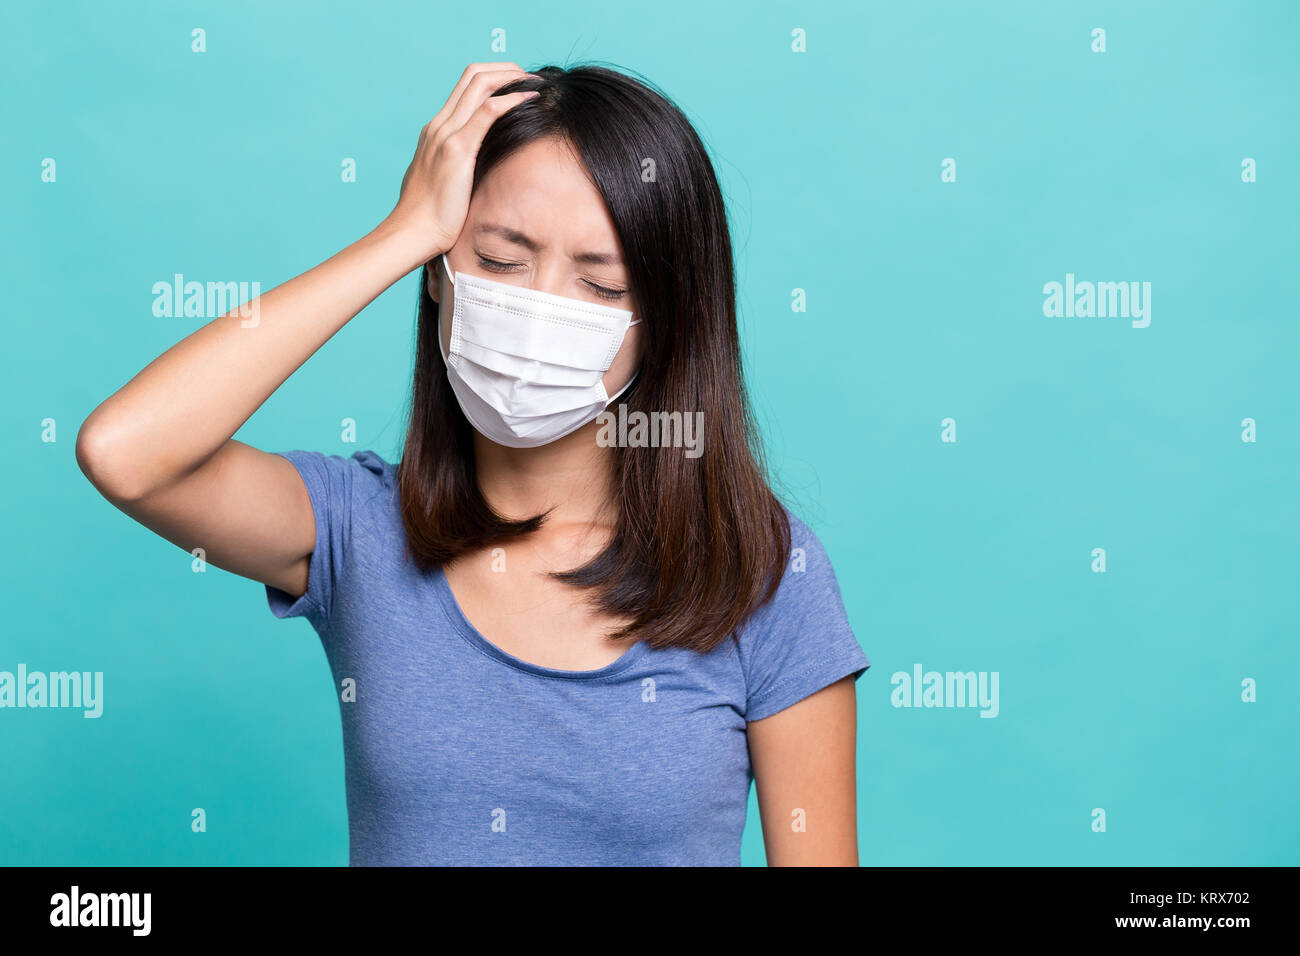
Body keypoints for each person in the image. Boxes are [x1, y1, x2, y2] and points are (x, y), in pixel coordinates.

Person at [76, 61, 871, 866]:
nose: (540, 310)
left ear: (663, 322)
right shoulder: (357, 530)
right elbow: (128, 453)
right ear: (440, 272)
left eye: (598, 285)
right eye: (498, 260)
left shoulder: (765, 574)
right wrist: (401, 233)